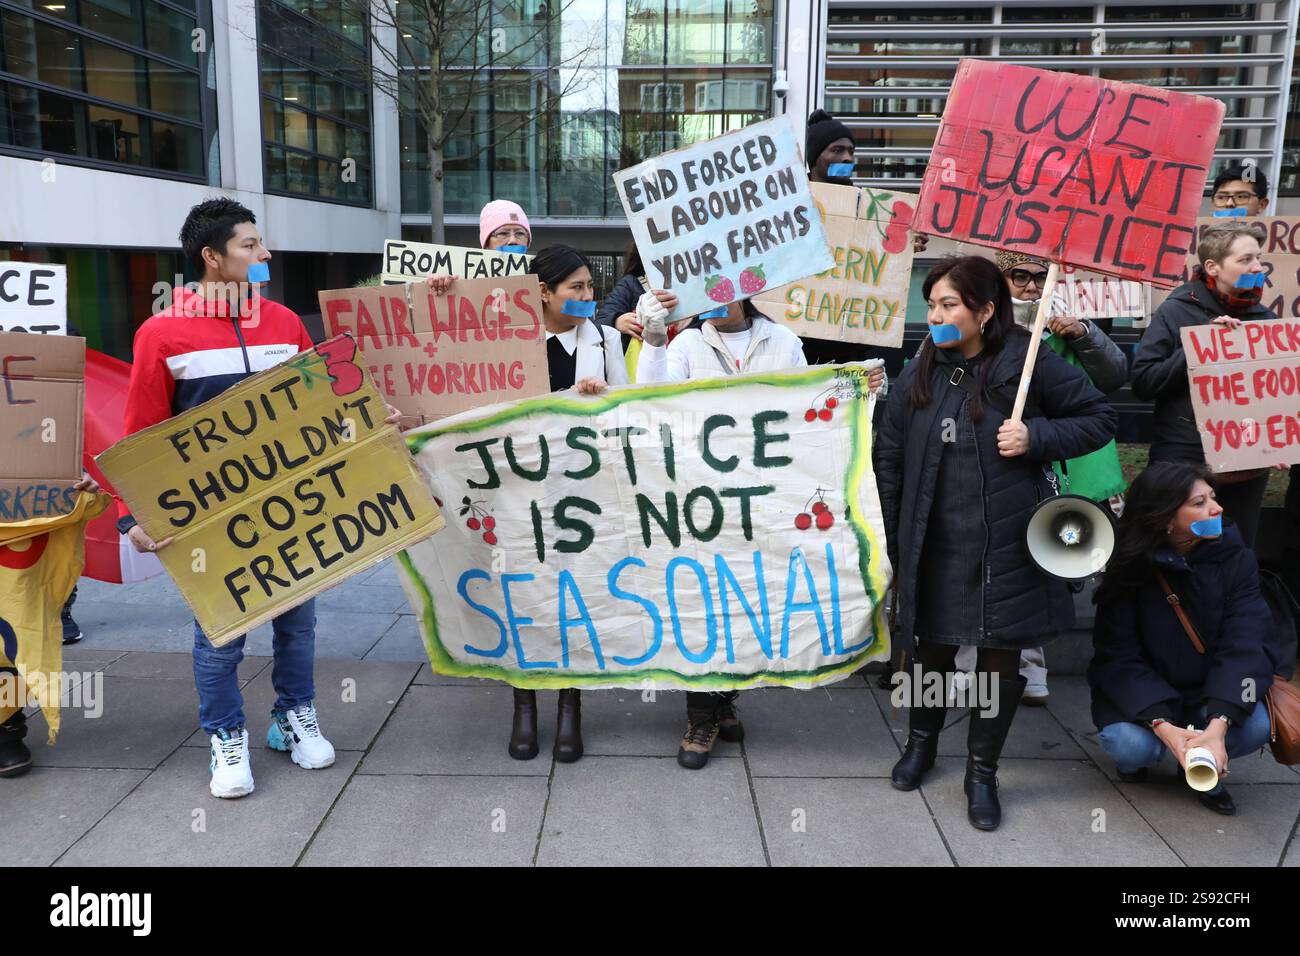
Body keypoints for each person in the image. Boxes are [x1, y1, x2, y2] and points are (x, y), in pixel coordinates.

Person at [117, 199, 399, 798]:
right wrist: (131, 517)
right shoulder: (161, 333)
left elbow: (321, 402)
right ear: (212, 257)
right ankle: (225, 736)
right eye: (250, 245)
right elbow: (139, 433)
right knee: (219, 637)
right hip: (211, 520)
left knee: (300, 623)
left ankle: (293, 718)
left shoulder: (285, 324)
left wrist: (372, 420)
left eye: (261, 242)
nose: (265, 253)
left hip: (294, 507)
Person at [874, 256, 1116, 830]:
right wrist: (891, 530)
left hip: (1007, 540)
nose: (934, 314)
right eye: (930, 304)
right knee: (929, 648)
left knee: (998, 657)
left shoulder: (1026, 361)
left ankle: (982, 772)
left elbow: (1100, 417)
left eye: (948, 304)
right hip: (933, 536)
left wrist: (1037, 436)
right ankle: (921, 744)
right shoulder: (922, 367)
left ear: (985, 311)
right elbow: (890, 450)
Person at [635, 289, 884, 768]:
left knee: (744, 599)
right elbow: (651, 401)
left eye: (725, 286)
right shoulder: (686, 346)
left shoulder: (783, 341)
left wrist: (856, 388)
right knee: (701, 602)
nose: (715, 297)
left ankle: (725, 698)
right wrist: (653, 336)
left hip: (763, 500)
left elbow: (805, 409)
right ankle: (701, 716)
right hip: (700, 500)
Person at [957, 251, 1129, 705]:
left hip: (1061, 473)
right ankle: (965, 666)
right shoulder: (976, 332)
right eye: (1020, 277)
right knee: (976, 566)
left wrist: (1086, 335)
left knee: (1039, 567)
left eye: (1040, 277)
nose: (1032, 287)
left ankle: (1028, 667)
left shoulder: (1065, 331)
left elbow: (1113, 379)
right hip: (989, 471)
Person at [1089, 462, 1275, 816]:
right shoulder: (1130, 568)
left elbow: (1247, 643)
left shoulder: (1236, 558)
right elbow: (1117, 659)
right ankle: (1153, 757)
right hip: (1147, 698)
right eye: (1200, 503)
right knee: (1128, 746)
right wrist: (1163, 726)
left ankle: (1201, 756)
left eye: (1213, 498)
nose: (1217, 509)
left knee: (1256, 727)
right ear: (1165, 519)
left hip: (1208, 692)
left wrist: (1219, 725)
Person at [506, 244, 628, 765]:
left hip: (581, 493)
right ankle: (524, 703)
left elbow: (629, 409)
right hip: (517, 490)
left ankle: (571, 703)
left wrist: (601, 398)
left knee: (574, 595)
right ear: (542, 293)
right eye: (575, 288)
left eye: (589, 287)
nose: (586, 296)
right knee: (523, 598)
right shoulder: (505, 339)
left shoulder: (605, 340)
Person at [1130, 220, 1286, 549]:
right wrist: (1197, 347)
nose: (1258, 267)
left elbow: (1275, 397)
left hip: (1247, 468)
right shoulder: (1176, 311)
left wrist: (1280, 438)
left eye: (1258, 258)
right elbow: (1144, 382)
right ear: (1213, 267)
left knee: (1236, 554)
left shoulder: (1266, 321)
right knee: (1178, 552)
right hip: (1183, 464)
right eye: (1245, 260)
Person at [594, 241, 694, 381]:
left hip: (689, 373)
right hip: (641, 375)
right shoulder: (631, 284)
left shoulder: (697, 287)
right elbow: (598, 325)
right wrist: (617, 321)